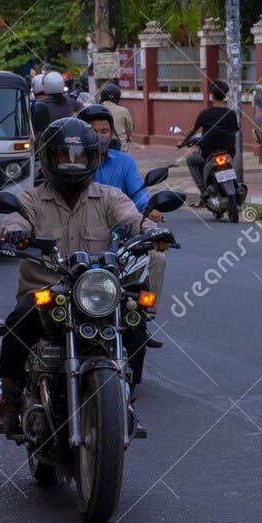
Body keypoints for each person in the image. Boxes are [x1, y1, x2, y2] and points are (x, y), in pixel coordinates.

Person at [0, 118, 149, 435]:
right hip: (46, 290)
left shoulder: (110, 197)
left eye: (79, 157)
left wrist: (151, 231)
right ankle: (9, 398)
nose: (73, 164)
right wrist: (16, 235)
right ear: (50, 159)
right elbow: (13, 221)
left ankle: (127, 397)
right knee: (19, 320)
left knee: (136, 322)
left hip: (96, 291)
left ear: (92, 159)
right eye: (65, 156)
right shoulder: (30, 199)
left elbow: (132, 220)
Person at [80, 104, 167, 353]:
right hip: (78, 240)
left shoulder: (124, 162)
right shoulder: (71, 163)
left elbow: (138, 197)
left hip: (121, 242)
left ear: (112, 134)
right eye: (93, 131)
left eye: (105, 130)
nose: (100, 136)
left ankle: (143, 317)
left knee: (157, 258)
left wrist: (150, 211)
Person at [178, 79, 239, 191]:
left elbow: (193, 130)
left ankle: (203, 191)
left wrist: (182, 142)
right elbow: (234, 130)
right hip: (228, 153)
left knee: (191, 160)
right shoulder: (231, 114)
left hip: (208, 155)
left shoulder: (205, 114)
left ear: (212, 95)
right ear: (225, 95)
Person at [28, 71, 78, 139]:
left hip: (48, 142)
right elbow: (86, 108)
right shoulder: (71, 101)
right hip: (71, 139)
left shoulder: (40, 105)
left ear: (44, 85)